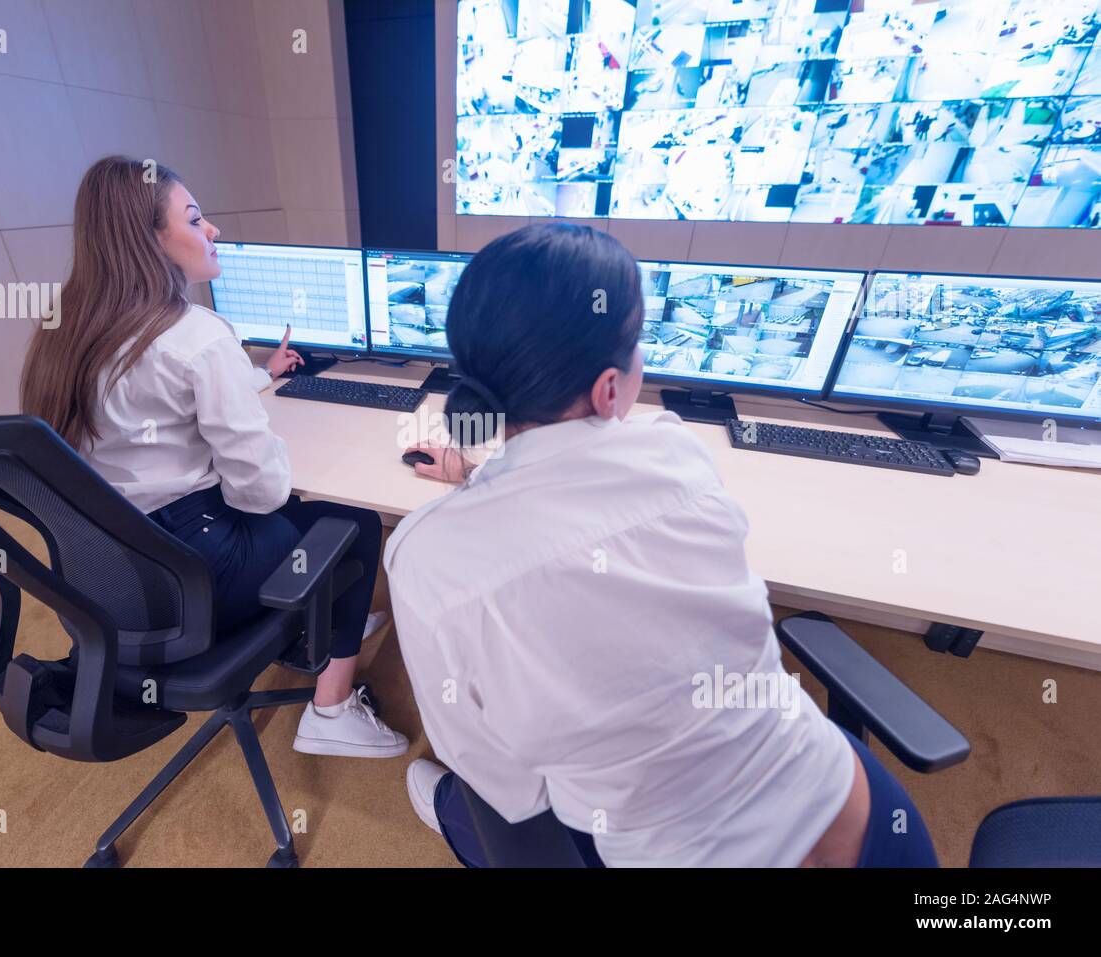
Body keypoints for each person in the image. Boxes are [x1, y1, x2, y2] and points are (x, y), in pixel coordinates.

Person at [385, 223, 937, 866]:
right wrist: (486, 483)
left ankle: (443, 807)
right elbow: (577, 502)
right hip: (863, 816)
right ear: (609, 389)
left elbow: (507, 786)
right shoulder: (676, 453)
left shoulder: (424, 559)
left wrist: (477, 490)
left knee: (471, 793)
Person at [20, 155, 407, 759]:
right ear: (150, 239)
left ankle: (326, 619)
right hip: (200, 570)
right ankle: (330, 710)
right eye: (196, 219)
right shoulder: (197, 334)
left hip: (108, 576)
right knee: (349, 522)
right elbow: (263, 493)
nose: (213, 230)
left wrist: (256, 376)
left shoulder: (65, 331)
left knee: (305, 522)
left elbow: (144, 404)